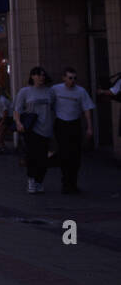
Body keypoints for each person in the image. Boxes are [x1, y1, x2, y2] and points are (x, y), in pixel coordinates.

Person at [51, 67, 94, 195]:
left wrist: (89, 127)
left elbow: (87, 109)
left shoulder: (81, 92)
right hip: (61, 123)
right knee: (64, 153)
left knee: (75, 155)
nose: (72, 81)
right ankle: (65, 183)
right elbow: (49, 105)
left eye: (75, 78)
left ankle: (73, 183)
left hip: (74, 124)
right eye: (70, 78)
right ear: (64, 78)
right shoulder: (55, 90)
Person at [14, 67, 56, 194]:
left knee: (43, 158)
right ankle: (31, 180)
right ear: (32, 76)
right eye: (38, 75)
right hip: (31, 129)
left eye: (43, 75)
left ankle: (39, 181)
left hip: (46, 129)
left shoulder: (50, 92)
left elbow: (53, 108)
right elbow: (17, 110)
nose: (41, 78)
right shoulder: (25, 92)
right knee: (32, 156)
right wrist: (18, 123)